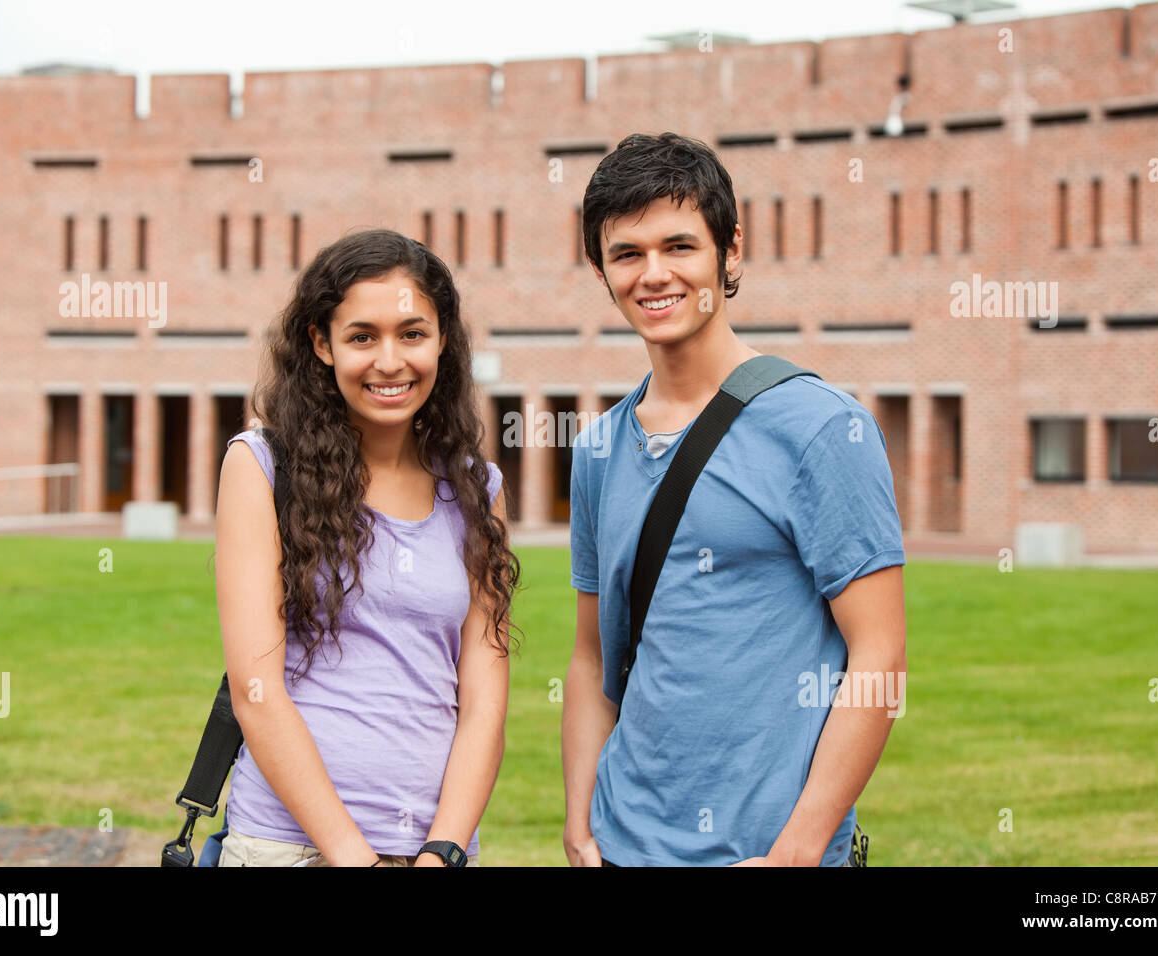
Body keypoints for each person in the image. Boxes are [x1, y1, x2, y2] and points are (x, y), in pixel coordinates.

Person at [561, 132, 907, 867]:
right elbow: (593, 657)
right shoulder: (596, 451)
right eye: (626, 254)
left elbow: (879, 653)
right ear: (602, 271)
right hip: (622, 844)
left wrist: (797, 851)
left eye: (679, 246)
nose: (653, 275)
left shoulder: (822, 428)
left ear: (731, 251)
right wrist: (578, 822)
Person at [214, 228, 518, 866]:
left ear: (442, 341)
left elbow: (485, 697)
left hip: (438, 850)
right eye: (361, 336)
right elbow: (255, 691)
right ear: (321, 344)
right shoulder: (262, 465)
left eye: (412, 333)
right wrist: (356, 859)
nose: (390, 361)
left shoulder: (476, 486)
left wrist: (443, 850)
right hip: (292, 847)